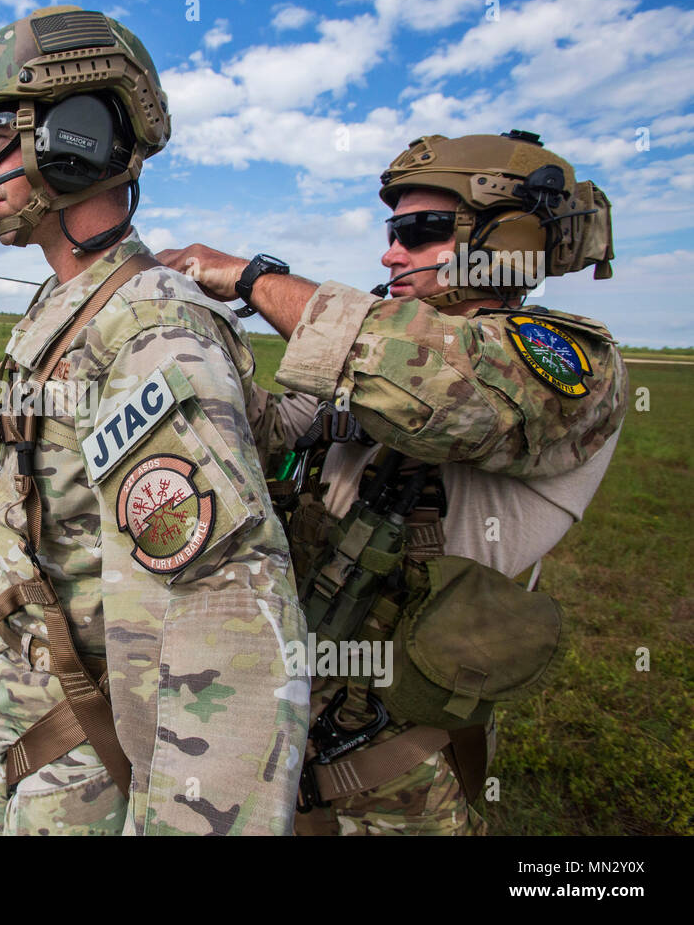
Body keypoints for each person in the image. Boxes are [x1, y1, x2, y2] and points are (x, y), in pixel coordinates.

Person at [158, 130, 625, 835]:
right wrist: (188, 327)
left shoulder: (566, 365)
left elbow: (438, 382)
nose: (390, 252)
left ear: (510, 238)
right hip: (297, 696)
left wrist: (249, 276)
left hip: (401, 757)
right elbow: (273, 430)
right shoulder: (377, 358)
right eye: (391, 231)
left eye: (420, 231)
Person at [0, 5, 309, 836]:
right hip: (28, 701)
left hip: (86, 738)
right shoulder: (70, 300)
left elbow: (224, 627)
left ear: (71, 137)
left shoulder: (149, 333)